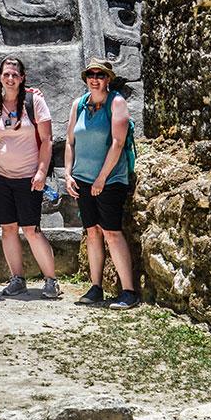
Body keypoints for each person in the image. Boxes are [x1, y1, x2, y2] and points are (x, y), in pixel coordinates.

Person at [64, 58, 138, 310]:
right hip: (83, 179)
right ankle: (96, 287)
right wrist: (68, 173)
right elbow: (70, 141)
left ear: (108, 79)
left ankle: (128, 291)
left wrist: (102, 178)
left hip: (110, 179)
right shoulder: (79, 105)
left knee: (111, 232)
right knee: (92, 232)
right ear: (86, 78)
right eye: (91, 74)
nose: (95, 79)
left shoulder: (116, 102)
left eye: (101, 75)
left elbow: (117, 143)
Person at [0, 57, 60, 299]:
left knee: (31, 229)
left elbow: (47, 140)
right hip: (0, 177)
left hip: (29, 177)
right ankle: (17, 278)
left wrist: (42, 171)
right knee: (8, 229)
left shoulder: (34, 101)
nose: (10, 78)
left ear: (22, 78)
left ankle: (51, 280)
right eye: (6, 74)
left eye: (15, 75)